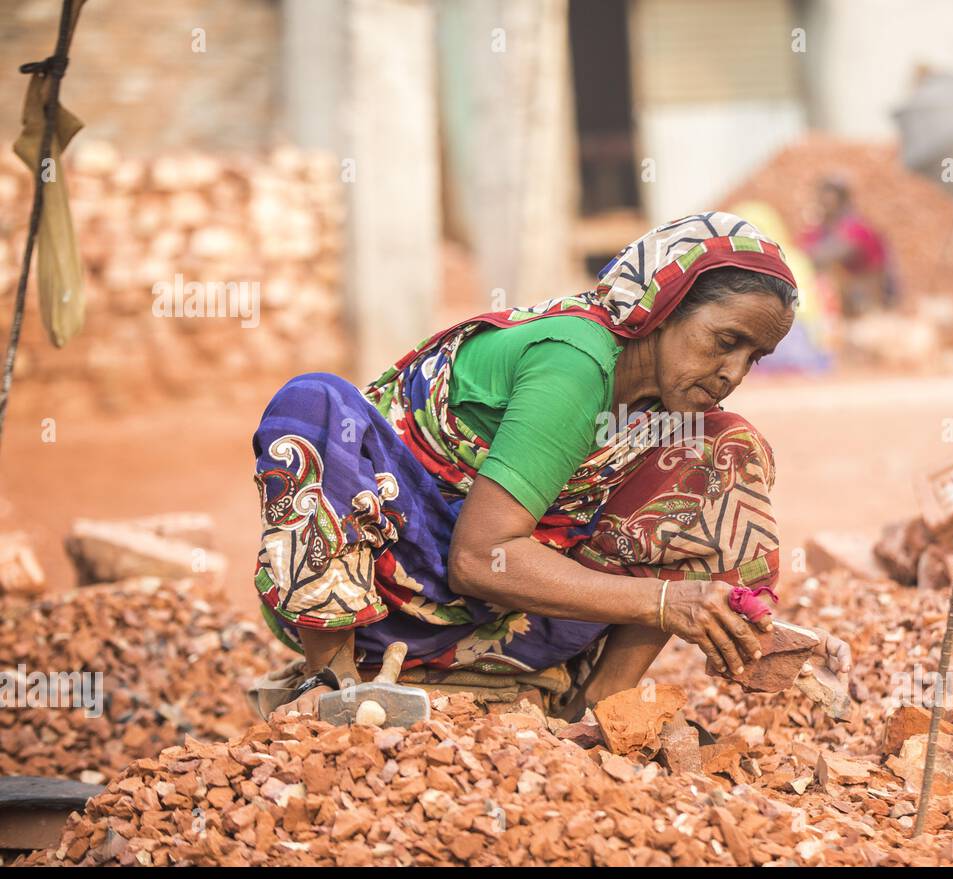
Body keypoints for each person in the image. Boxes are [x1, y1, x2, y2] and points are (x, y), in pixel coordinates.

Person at [251, 211, 849, 721]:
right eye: (725, 341)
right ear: (661, 309)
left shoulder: (661, 407)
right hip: (391, 585)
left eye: (755, 358)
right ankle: (331, 683)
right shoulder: (575, 362)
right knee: (316, 404)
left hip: (517, 616)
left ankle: (597, 708)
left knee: (723, 451)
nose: (734, 373)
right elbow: (479, 558)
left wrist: (779, 641)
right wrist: (667, 602)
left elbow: (721, 587)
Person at [799, 177, 897, 317]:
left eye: (829, 204)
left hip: (868, 299)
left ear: (843, 203)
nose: (824, 209)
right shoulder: (820, 231)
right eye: (822, 203)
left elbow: (825, 255)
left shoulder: (858, 229)